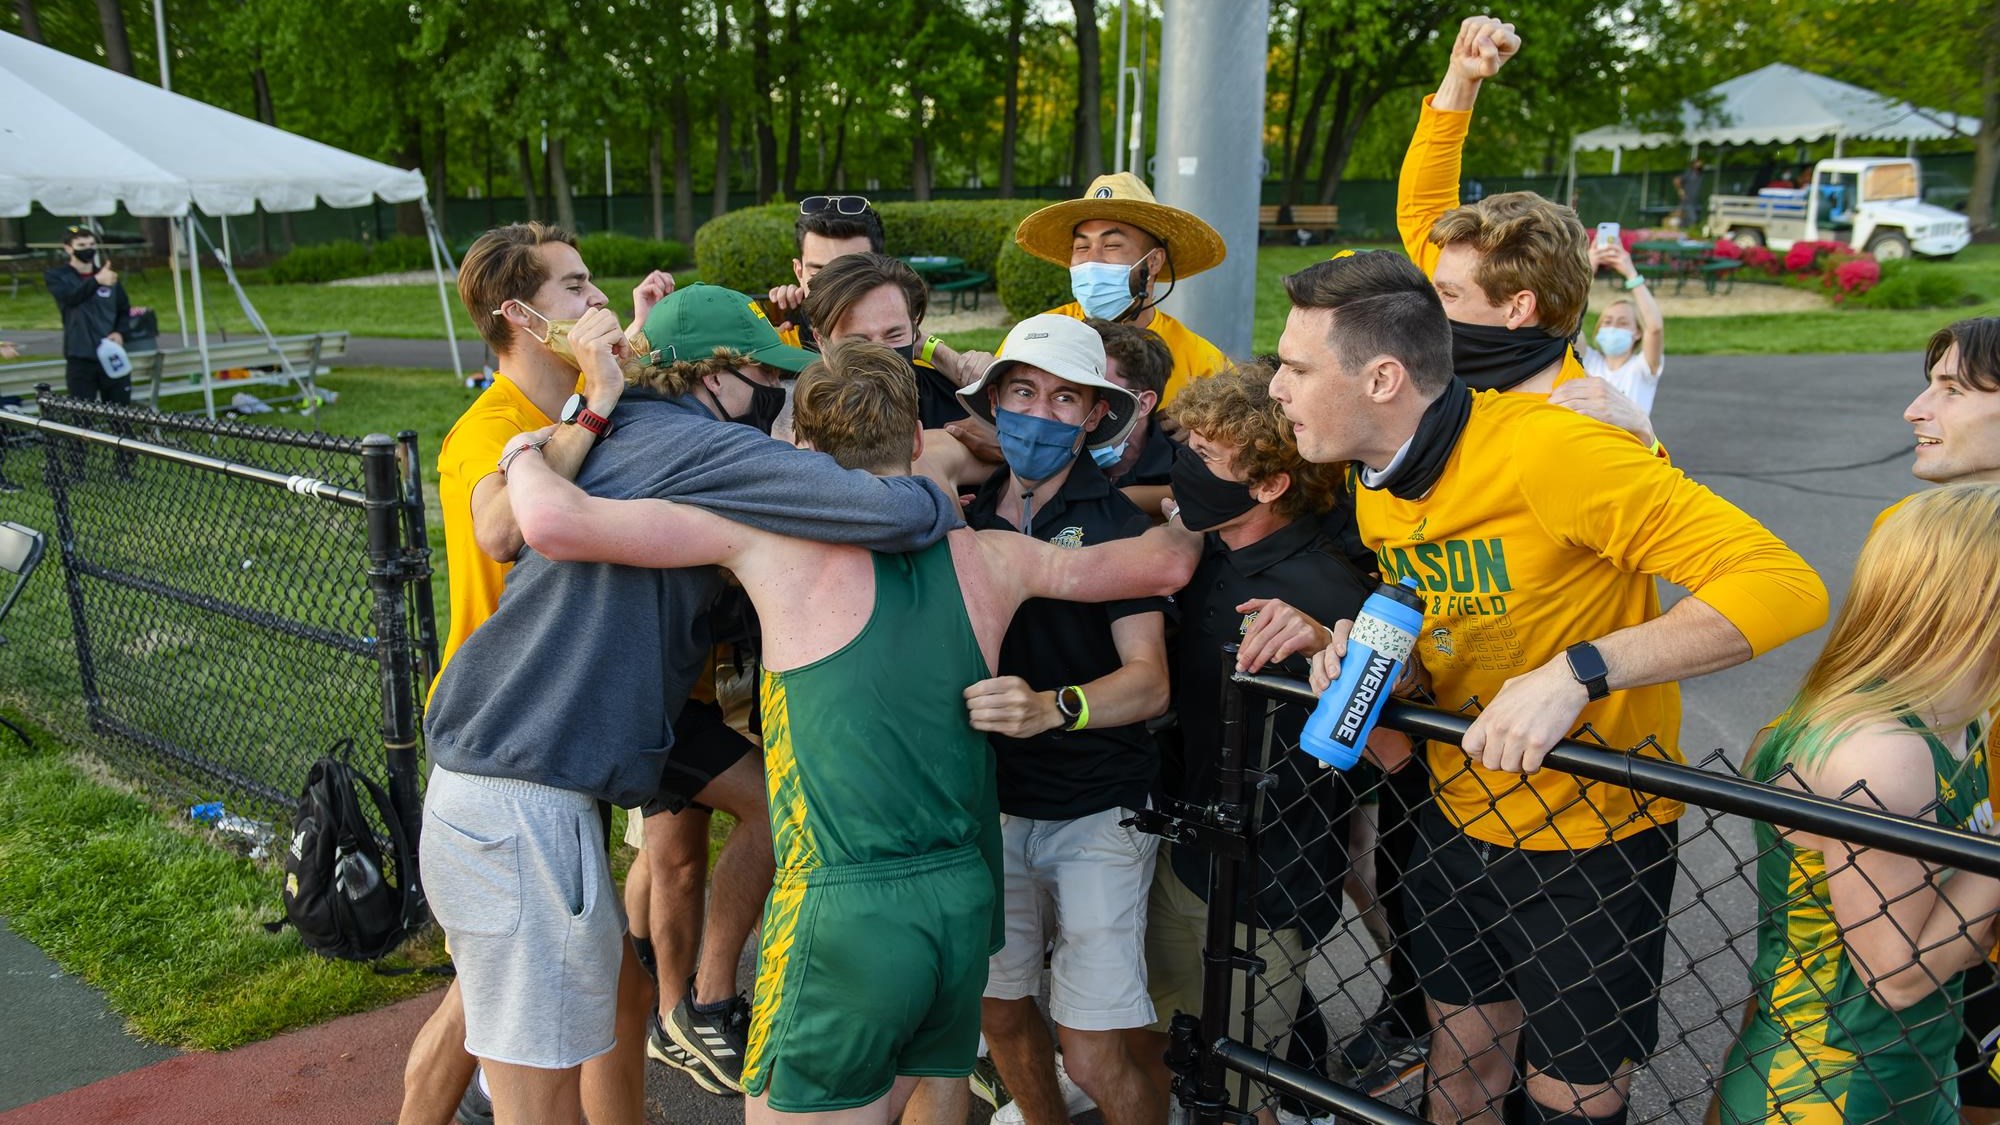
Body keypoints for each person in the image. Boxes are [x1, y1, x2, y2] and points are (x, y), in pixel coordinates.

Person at [502, 338, 1202, 1124]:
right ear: (913, 440)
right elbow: (1165, 566)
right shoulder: (1001, 558)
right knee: (930, 1090)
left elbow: (551, 523)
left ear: (801, 448)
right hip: (962, 896)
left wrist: (527, 450)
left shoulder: (769, 542)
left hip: (845, 907)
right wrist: (1194, 504)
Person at [1270, 250, 1828, 1124]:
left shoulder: (1551, 449)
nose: (1276, 387)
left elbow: (1785, 585)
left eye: (1295, 368)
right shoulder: (1376, 481)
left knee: (1571, 1103)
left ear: (1382, 378)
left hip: (1593, 835)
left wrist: (1579, 672)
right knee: (1457, 1078)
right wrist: (1383, 664)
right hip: (1456, 818)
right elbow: (1456, 619)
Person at [417, 284, 964, 1125]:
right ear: (715, 378)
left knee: (574, 1013)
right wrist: (944, 497)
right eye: (759, 376)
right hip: (522, 794)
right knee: (538, 1087)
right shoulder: (703, 449)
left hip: (492, 771)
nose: (771, 399)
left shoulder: (617, 425)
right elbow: (881, 508)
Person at [399, 221, 663, 1125]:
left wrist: (632, 338)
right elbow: (506, 529)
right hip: (505, 754)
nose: (595, 300)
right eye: (577, 287)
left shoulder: (561, 410)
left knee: (527, 998)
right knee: (516, 1025)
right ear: (518, 313)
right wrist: (593, 400)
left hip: (548, 750)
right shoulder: (490, 428)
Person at [918, 313, 1171, 1125]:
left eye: (1066, 399)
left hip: (1099, 807)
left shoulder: (1119, 525)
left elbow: (1150, 682)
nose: (1039, 413)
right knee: (997, 1013)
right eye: (1023, 392)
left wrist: (1053, 708)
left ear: (1096, 415)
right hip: (990, 808)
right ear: (993, 399)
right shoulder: (962, 509)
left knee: (1094, 1048)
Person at [1130, 360, 1376, 1125]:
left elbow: (1389, 751)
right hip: (1186, 853)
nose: (1183, 467)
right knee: (1183, 1055)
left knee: (1237, 1086)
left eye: (1205, 456)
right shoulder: (1208, 550)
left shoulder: (1328, 593)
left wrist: (1323, 661)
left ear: (1269, 485)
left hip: (1265, 886)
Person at [1715, 483, 2000, 1125]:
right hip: (1831, 1088)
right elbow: (1894, 976)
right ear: (1974, 608)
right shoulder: (1879, 750)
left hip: (1916, 1074)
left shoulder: (1960, 715)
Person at [1396, 17, 1658, 449]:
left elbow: (1660, 512)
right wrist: (1461, 78)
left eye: (1447, 295)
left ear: (1517, 308)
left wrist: (1646, 443)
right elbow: (1422, 203)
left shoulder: (1580, 420)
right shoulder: (1466, 280)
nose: (1426, 303)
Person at [941, 173, 1229, 411]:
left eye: (1112, 246)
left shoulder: (1202, 363)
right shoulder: (1034, 338)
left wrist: (1197, 429)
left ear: (1153, 262)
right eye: (1081, 247)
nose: (1092, 260)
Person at [799, 251, 967, 429]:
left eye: (894, 335)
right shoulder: (800, 416)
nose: (881, 352)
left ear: (914, 326)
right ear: (821, 341)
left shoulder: (956, 401)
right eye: (858, 341)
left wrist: (947, 358)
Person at [767, 194, 885, 348]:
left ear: (882, 273)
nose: (835, 290)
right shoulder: (775, 347)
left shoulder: (911, 347)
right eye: (818, 275)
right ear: (799, 273)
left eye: (853, 274)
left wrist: (922, 345)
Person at [1088, 319, 1178, 516]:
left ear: (1143, 403)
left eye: (1099, 390)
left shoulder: (1185, 468)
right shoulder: (1053, 454)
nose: (1083, 402)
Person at [1579, 240, 1666, 417]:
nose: (1613, 327)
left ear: (1637, 333)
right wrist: (1587, 272)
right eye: (1607, 321)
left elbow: (1654, 327)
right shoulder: (1588, 361)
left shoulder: (1641, 368)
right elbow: (1569, 322)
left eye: (1623, 323)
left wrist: (1631, 273)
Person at [45, 227, 130, 407]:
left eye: (91, 244)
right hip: (80, 356)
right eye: (81, 245)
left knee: (121, 415)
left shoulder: (108, 277)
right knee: (83, 416)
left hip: (110, 354)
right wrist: (96, 281)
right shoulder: (57, 276)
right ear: (68, 248)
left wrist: (120, 332)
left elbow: (123, 309)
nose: (88, 249)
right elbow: (71, 298)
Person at [1676, 158, 1706, 232]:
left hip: (1696, 201)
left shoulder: (1700, 174)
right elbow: (1677, 180)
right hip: (1688, 201)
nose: (1699, 165)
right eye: (1697, 163)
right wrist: (1681, 192)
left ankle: (1682, 232)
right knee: (1693, 219)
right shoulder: (1689, 173)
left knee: (1685, 220)